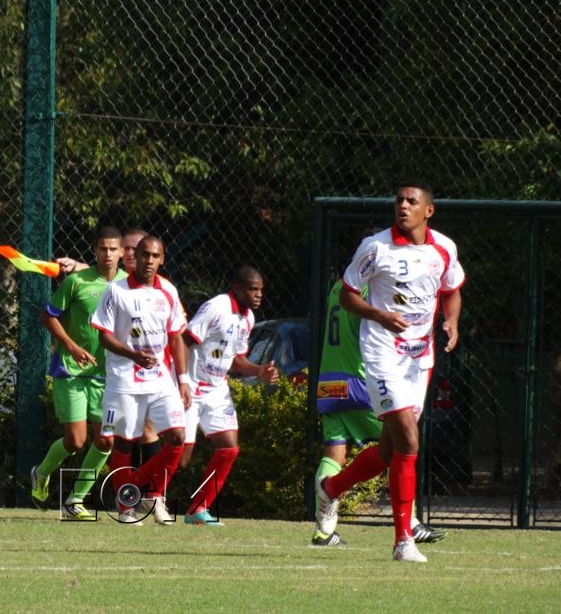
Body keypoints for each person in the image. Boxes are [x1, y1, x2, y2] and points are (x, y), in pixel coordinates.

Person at [315, 180, 464, 563]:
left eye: (411, 201)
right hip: (382, 355)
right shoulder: (375, 248)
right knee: (409, 442)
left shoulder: (443, 248)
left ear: (427, 211)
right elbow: (349, 294)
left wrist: (452, 322)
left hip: (420, 358)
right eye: (399, 200)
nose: (403, 205)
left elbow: (451, 290)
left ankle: (331, 488)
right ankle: (403, 541)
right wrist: (379, 314)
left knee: (386, 452)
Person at [311, 279, 447, 546]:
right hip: (364, 380)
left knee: (335, 452)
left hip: (330, 381)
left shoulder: (337, 286)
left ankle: (323, 531)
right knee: (403, 443)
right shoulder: (373, 289)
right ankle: (410, 522)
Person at [90, 235, 190, 524]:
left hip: (160, 379)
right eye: (144, 255)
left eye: (154, 256)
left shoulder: (168, 290)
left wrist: (183, 379)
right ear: (134, 258)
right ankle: (126, 506)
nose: (149, 261)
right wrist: (132, 354)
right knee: (123, 444)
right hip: (124, 379)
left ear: (162, 259)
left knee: (176, 438)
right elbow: (104, 336)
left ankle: (152, 494)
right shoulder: (116, 290)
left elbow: (176, 337)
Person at [30, 227, 127, 519]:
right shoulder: (76, 282)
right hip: (72, 373)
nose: (108, 254)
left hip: (108, 378)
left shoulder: (130, 285)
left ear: (122, 253)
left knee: (106, 441)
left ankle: (75, 502)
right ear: (95, 251)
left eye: (113, 249)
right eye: (102, 249)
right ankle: (41, 472)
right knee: (75, 441)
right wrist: (71, 346)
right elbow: (48, 315)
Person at [180, 265, 279, 526]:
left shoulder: (247, 318)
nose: (259, 295)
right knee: (180, 457)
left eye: (261, 290)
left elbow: (236, 360)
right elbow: (183, 341)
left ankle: (197, 509)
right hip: (191, 386)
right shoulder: (216, 307)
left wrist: (259, 371)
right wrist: (179, 380)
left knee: (229, 448)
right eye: (253, 289)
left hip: (216, 390)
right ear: (236, 288)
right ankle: (141, 494)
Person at [56, 228, 163, 468]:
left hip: (141, 370)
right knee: (105, 438)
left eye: (142, 251)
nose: (135, 255)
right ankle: (131, 494)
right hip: (108, 372)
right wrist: (79, 266)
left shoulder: (159, 288)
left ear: (158, 257)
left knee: (138, 432)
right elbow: (104, 278)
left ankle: (150, 495)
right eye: (131, 250)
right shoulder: (116, 284)